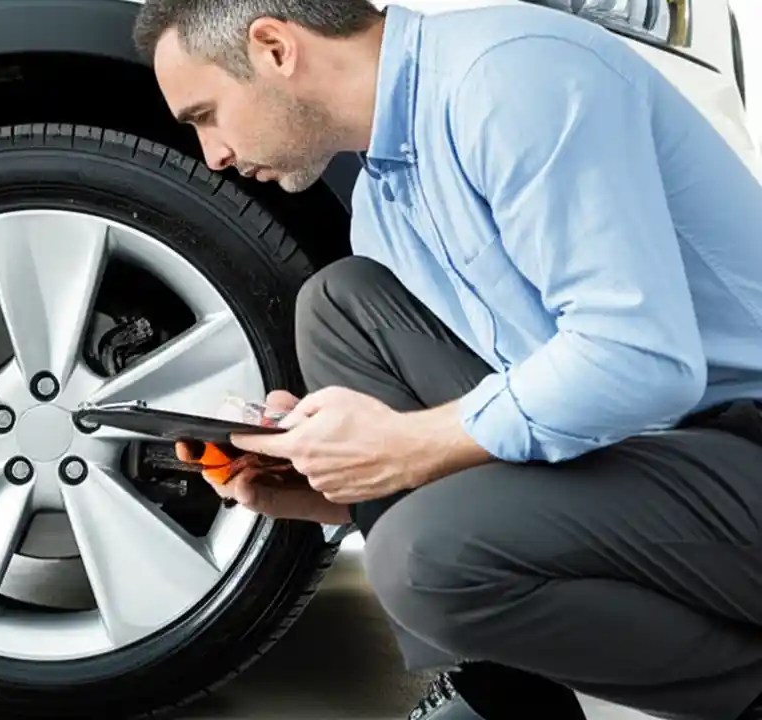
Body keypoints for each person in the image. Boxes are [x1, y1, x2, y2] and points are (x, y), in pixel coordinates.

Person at [132, 1, 762, 719]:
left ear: (275, 47)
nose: (213, 154)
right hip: (668, 454)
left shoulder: (510, 78)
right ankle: (506, 692)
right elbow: (521, 399)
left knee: (422, 558)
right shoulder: (387, 193)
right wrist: (333, 480)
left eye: (204, 114)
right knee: (342, 304)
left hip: (739, 441)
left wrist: (404, 448)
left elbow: (641, 360)